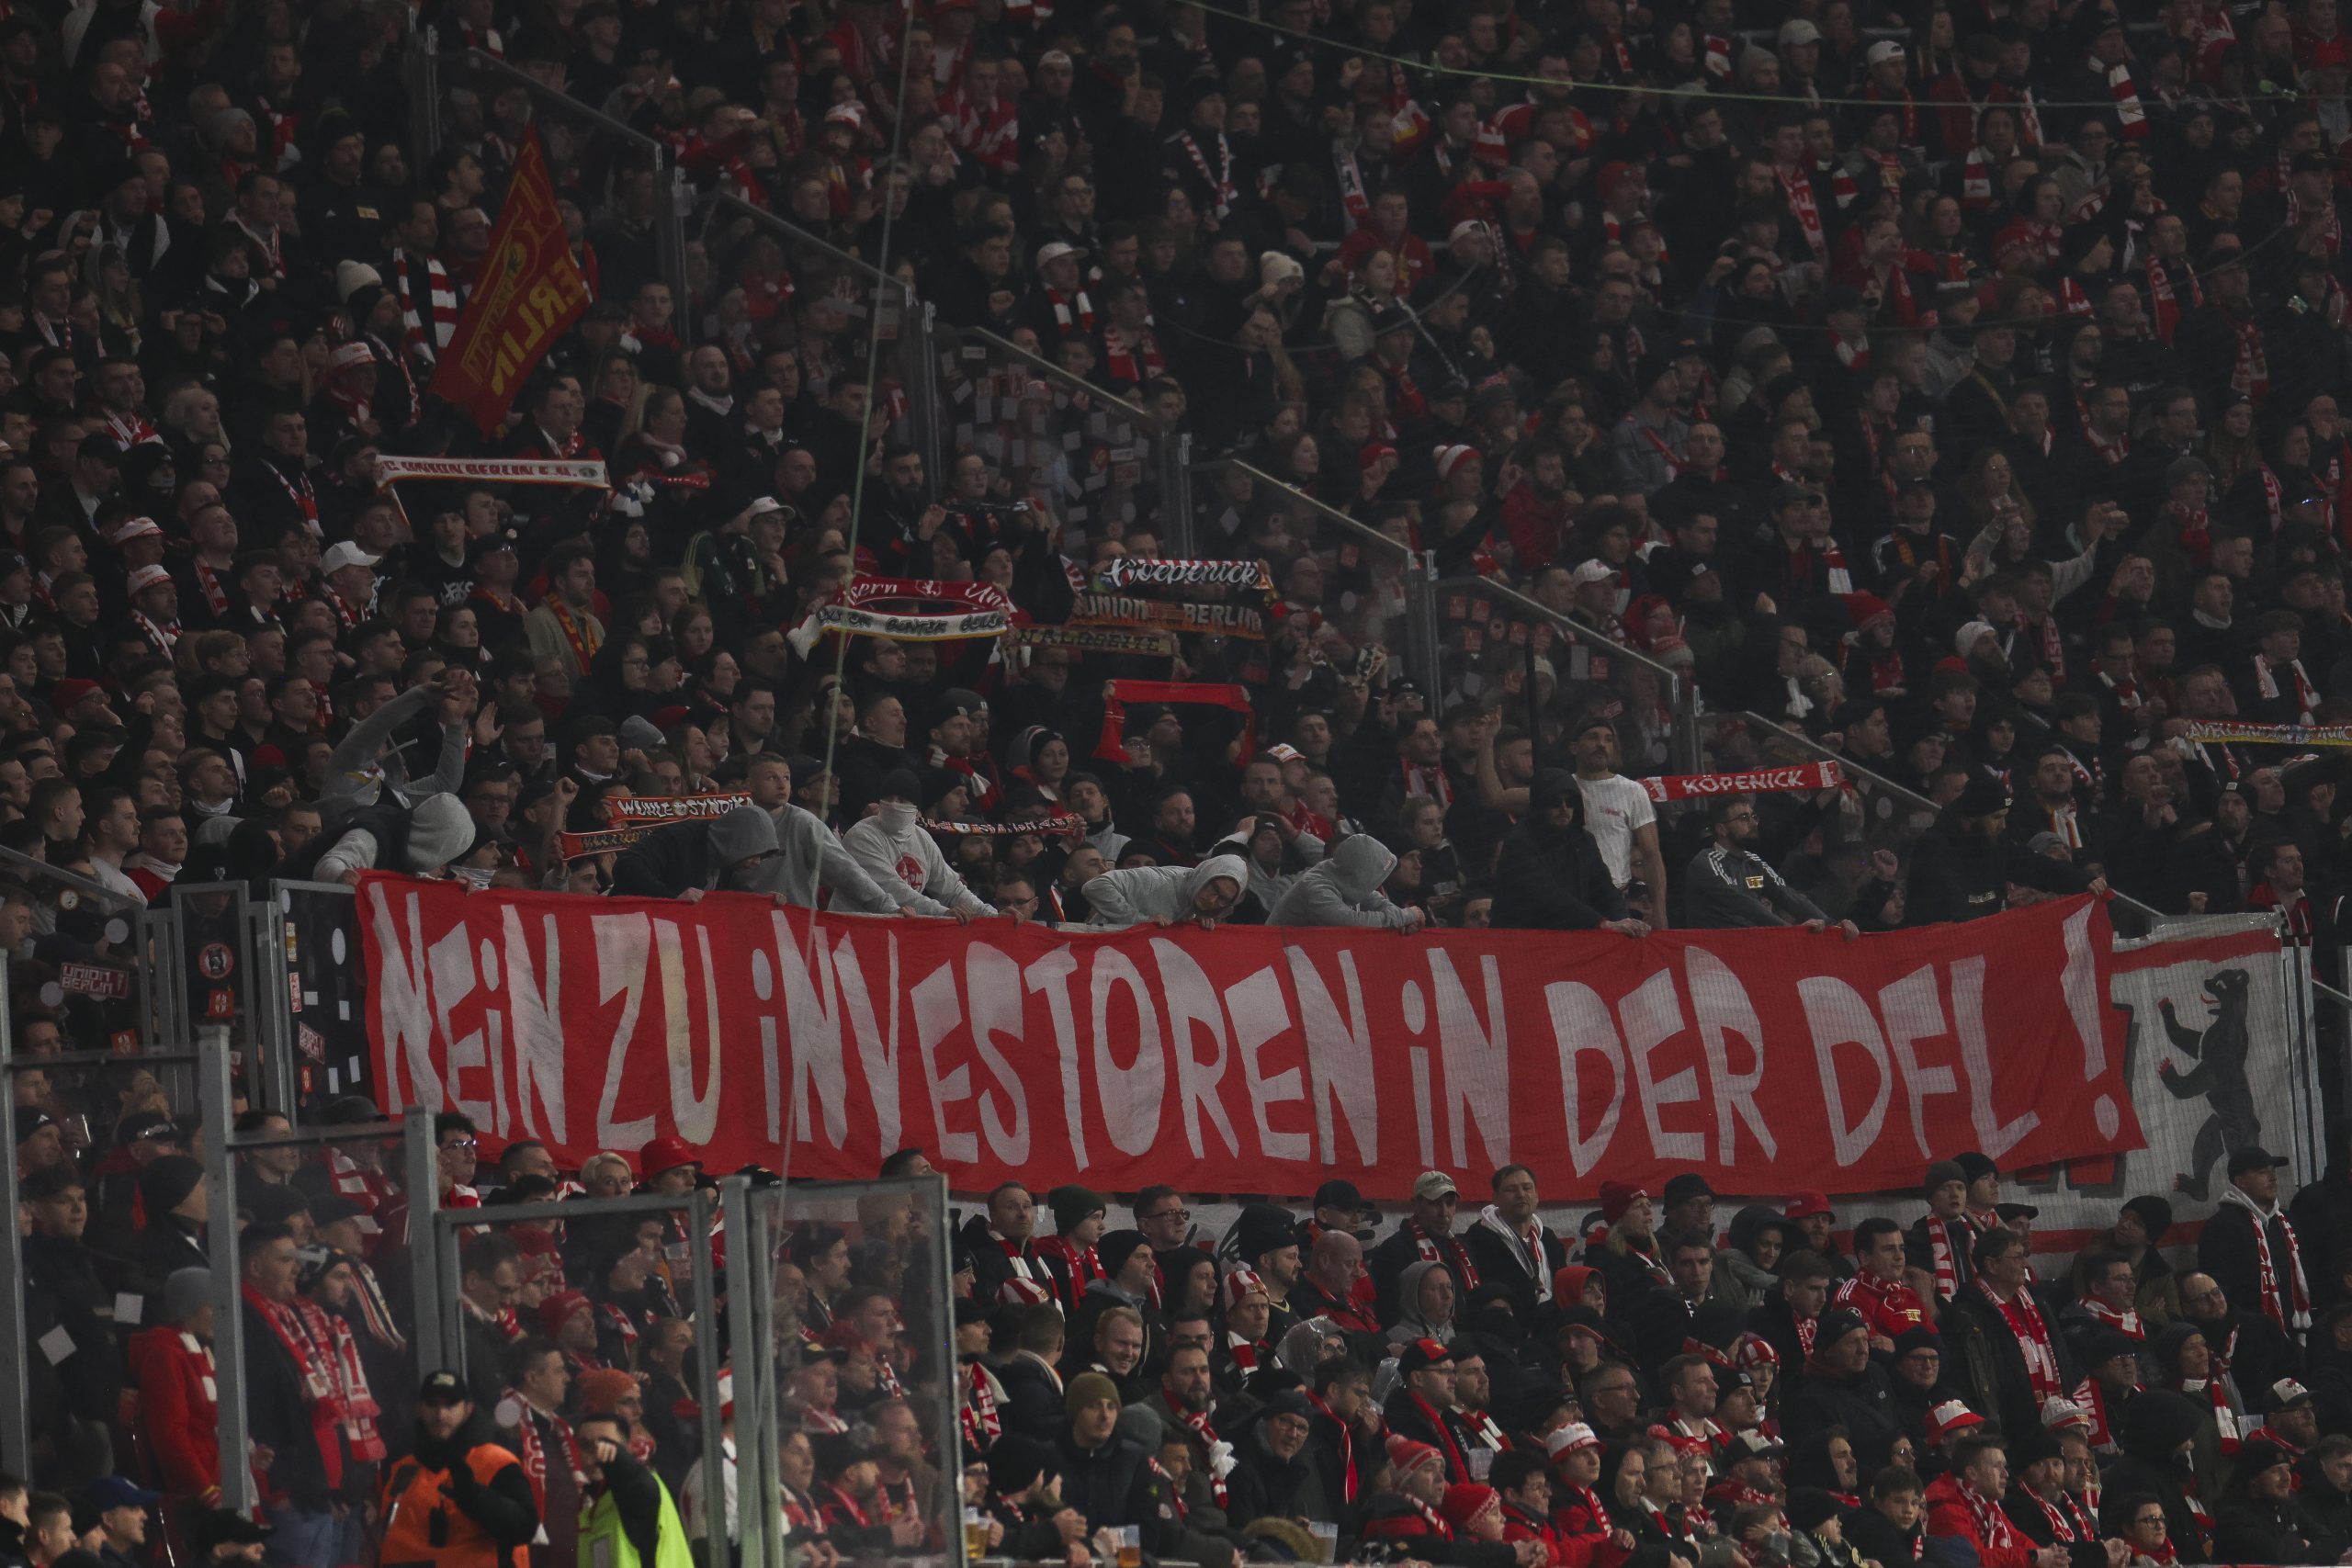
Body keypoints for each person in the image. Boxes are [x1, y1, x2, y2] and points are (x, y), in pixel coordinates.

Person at [378, 1371, 539, 1568]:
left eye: (450, 1405)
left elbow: (524, 1528)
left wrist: (475, 1497)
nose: (440, 1414)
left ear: (467, 1409)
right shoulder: (402, 1468)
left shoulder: (495, 1462)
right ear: (419, 1409)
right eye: (432, 1404)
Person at [1684, 795, 1857, 933]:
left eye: (1754, 816)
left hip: (1750, 949)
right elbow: (1743, 904)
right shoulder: (1707, 862)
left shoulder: (1753, 862)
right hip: (1712, 955)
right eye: (1744, 818)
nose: (1753, 823)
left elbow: (1787, 894)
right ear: (1722, 829)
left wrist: (1832, 925)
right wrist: (1789, 932)